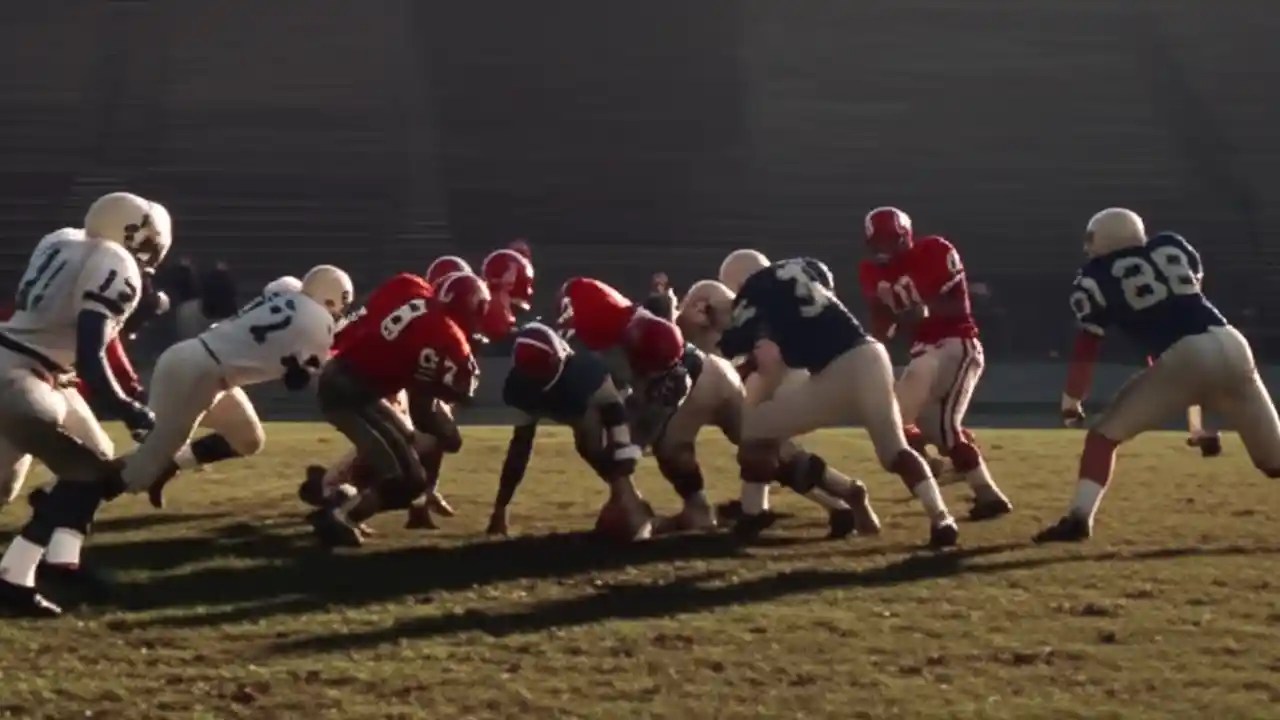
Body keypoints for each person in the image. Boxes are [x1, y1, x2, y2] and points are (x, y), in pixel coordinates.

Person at [1035, 208, 1280, 542]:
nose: (1088, 247)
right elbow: (1183, 300)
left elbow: (1087, 344)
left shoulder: (1096, 275)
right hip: (1232, 343)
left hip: (1186, 355)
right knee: (1274, 462)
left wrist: (1071, 399)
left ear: (1105, 237)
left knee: (1101, 438)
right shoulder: (1171, 247)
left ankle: (1078, 519)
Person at [0, 192, 170, 616]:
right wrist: (128, 407)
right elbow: (92, 353)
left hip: (39, 369)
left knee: (97, 456)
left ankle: (62, 560)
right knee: (84, 473)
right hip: (23, 375)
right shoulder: (115, 261)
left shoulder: (61, 239)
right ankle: (14, 578)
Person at [717, 251, 959, 547]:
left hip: (835, 371)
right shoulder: (806, 265)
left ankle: (753, 513)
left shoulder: (752, 291)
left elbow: (744, 347)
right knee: (895, 451)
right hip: (870, 354)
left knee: (753, 430)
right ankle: (941, 517)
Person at [858, 206, 1012, 519]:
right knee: (905, 425)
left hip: (957, 344)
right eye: (879, 243)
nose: (884, 249)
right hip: (923, 352)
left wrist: (900, 305)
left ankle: (979, 493)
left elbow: (932, 302)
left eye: (891, 240)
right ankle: (967, 483)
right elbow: (883, 322)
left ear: (905, 236)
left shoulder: (934, 250)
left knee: (945, 424)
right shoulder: (872, 271)